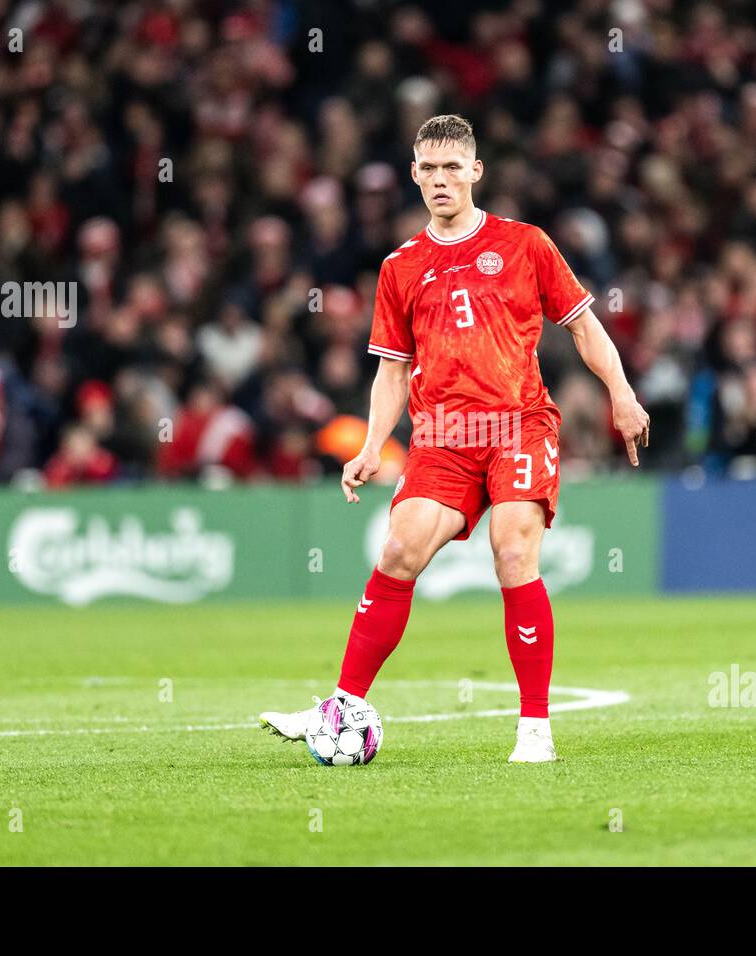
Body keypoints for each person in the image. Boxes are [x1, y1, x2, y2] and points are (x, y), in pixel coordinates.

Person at [260, 115, 650, 762]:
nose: (441, 180)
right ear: (415, 175)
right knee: (399, 553)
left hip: (518, 423)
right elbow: (391, 369)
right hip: (442, 437)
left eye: (452, 168)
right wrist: (369, 445)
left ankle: (534, 729)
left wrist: (622, 393)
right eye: (429, 169)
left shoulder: (526, 244)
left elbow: (583, 327)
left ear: (475, 171)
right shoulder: (401, 267)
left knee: (512, 554)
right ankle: (345, 704)